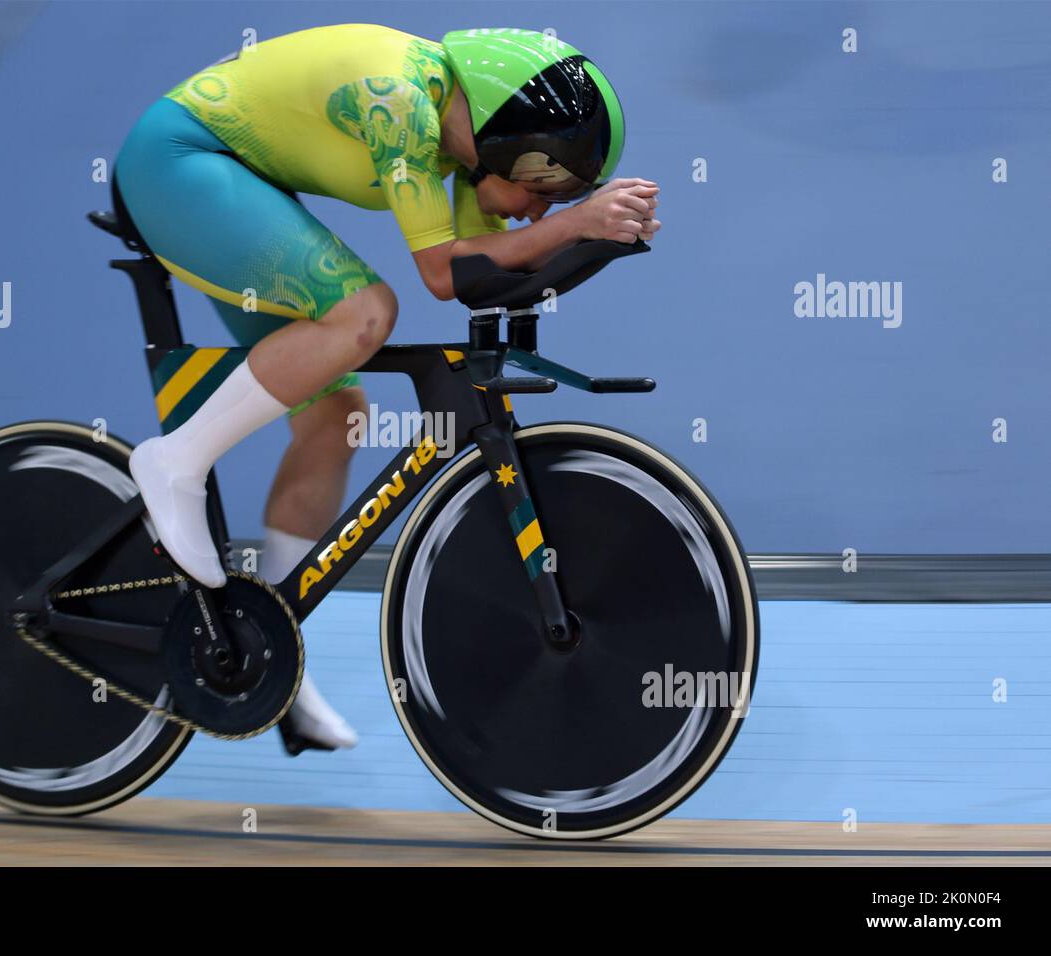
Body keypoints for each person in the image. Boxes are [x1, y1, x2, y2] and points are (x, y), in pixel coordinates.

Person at [114, 24, 661, 754]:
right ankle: (174, 461)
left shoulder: (469, 152)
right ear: (512, 144)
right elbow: (441, 273)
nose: (539, 209)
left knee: (336, 416)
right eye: (546, 187)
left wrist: (597, 238)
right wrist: (575, 227)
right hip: (179, 162)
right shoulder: (401, 100)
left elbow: (484, 279)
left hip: (234, 177)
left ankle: (272, 645)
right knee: (366, 312)